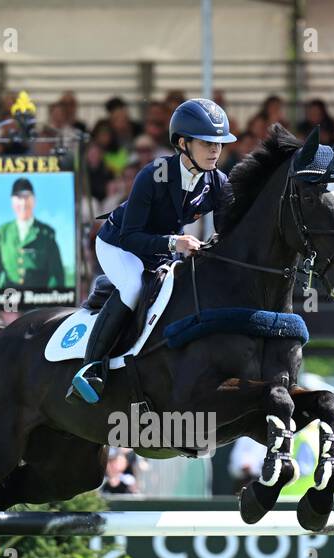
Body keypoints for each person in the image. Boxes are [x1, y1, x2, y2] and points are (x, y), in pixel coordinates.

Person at [72, 98, 235, 404]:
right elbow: (132, 236)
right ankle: (90, 370)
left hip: (161, 252)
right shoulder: (153, 174)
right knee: (133, 286)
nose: (216, 150)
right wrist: (176, 242)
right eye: (207, 143)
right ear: (183, 143)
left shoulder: (218, 182)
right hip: (119, 245)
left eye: (219, 143)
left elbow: (226, 234)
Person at [0, 177, 65, 290]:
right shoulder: (2, 233)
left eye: (27, 197)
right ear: (12, 202)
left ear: (34, 200)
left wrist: (51, 303)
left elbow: (56, 275)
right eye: (19, 197)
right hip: (9, 302)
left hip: (39, 302)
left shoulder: (46, 234)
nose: (23, 203)